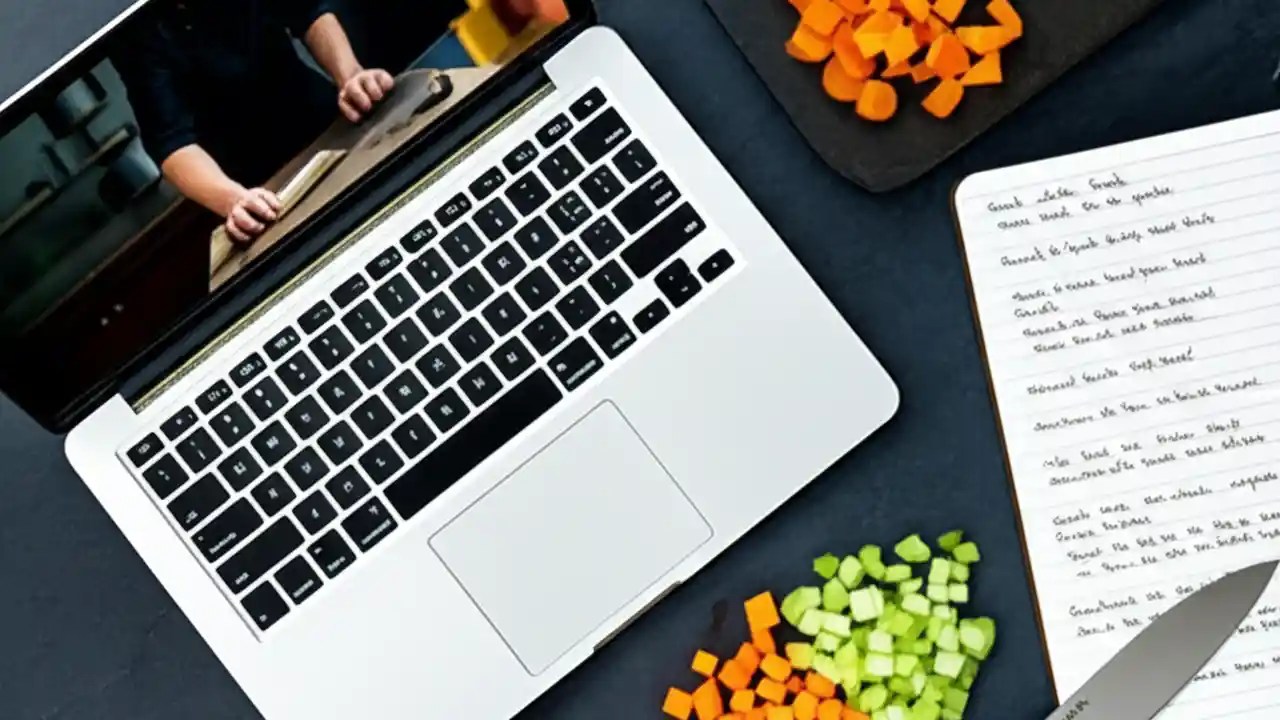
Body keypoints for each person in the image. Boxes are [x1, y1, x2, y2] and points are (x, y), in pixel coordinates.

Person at [114, 0, 396, 244]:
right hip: (257, 184)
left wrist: (350, 75)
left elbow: (308, 11)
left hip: (326, 123)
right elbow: (170, 140)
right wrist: (233, 199)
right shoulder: (135, 28)